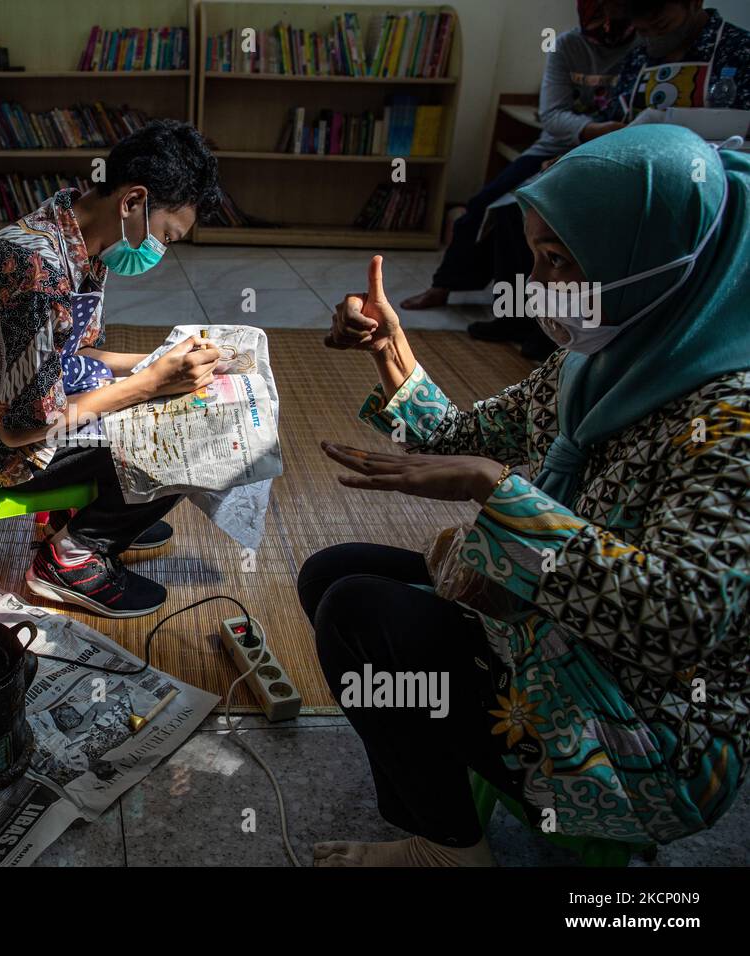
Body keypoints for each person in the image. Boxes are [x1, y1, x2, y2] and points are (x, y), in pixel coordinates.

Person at [301, 124, 749, 865]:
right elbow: (454, 432)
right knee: (332, 574)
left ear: (657, 265)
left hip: (651, 721)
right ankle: (437, 803)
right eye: (535, 255)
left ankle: (448, 849)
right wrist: (388, 346)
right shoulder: (598, 362)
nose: (537, 283)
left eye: (559, 261)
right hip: (559, 629)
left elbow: (681, 621)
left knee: (359, 613)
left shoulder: (728, 421)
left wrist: (501, 493)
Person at [0, 120, 222, 618]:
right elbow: (24, 428)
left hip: (22, 403)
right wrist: (150, 383)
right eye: (167, 236)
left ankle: (106, 513)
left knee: (175, 396)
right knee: (195, 437)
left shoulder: (73, 232)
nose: (162, 250)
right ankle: (73, 557)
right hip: (6, 448)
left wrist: (159, 360)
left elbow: (76, 355)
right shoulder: (37, 271)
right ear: (133, 202)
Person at [402, 0, 637, 360]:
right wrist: (589, 129)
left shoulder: (643, 51)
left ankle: (532, 323)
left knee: (525, 217)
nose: (606, 28)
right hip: (554, 148)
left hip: (610, 156)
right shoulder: (566, 46)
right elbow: (553, 115)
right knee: (485, 205)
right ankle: (453, 288)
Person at [604, 0, 750, 122]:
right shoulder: (636, 58)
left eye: (662, 26)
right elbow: (614, 117)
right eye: (643, 31)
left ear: (695, 3)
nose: (653, 38)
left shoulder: (740, 50)